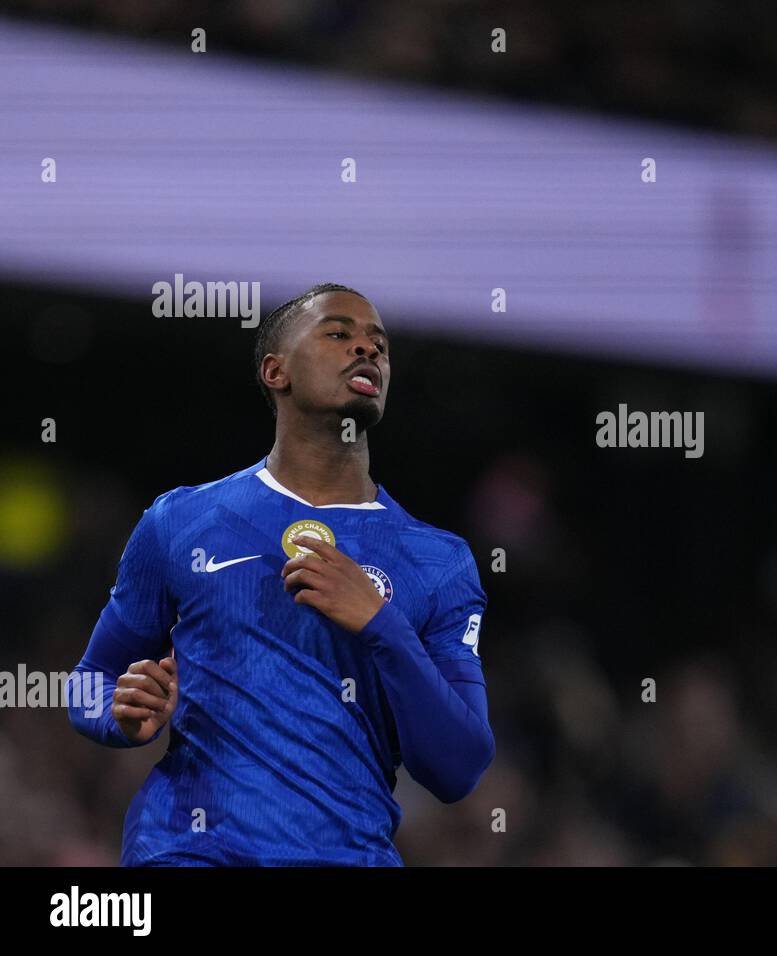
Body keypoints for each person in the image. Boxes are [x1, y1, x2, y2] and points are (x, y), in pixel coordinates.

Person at [67, 283, 493, 865]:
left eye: (379, 345)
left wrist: (379, 622)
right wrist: (120, 712)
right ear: (276, 371)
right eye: (339, 334)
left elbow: (459, 768)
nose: (367, 351)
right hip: (187, 849)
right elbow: (91, 679)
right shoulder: (181, 520)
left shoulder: (439, 561)